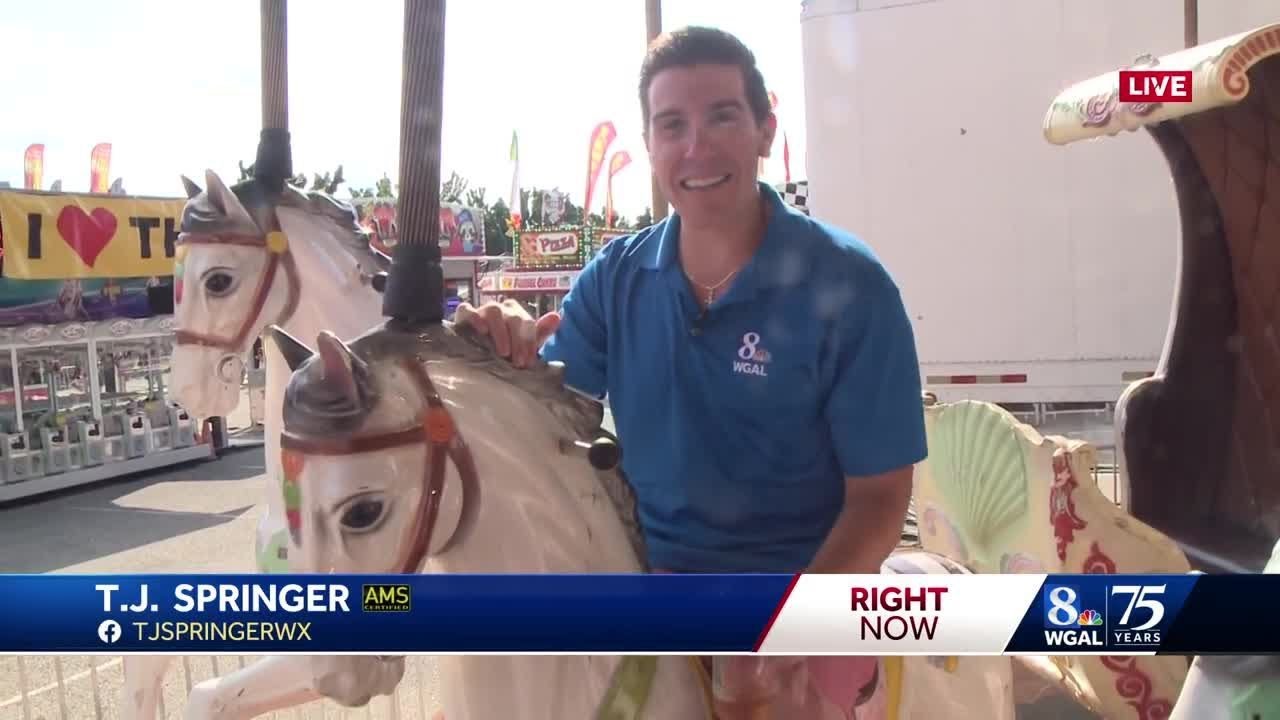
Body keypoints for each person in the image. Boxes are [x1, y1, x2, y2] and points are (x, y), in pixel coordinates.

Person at [454, 26, 926, 719]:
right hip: (652, 588)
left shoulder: (851, 286)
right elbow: (537, 412)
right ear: (651, 148)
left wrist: (790, 627)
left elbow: (881, 499)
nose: (696, 147)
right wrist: (497, 347)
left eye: (722, 117)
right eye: (672, 125)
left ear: (765, 128)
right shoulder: (616, 280)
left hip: (805, 587)